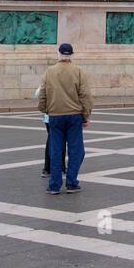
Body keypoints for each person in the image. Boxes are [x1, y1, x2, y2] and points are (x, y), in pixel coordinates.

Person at [35, 43, 92, 196]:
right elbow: (85, 95)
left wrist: (45, 109)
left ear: (59, 54)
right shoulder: (78, 71)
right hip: (74, 116)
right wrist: (86, 116)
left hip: (55, 116)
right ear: (71, 55)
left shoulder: (49, 72)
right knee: (76, 151)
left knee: (56, 151)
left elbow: (42, 95)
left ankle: (54, 185)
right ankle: (72, 183)